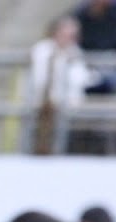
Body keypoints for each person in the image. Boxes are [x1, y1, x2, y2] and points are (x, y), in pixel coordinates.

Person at [25, 16, 99, 155]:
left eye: (74, 35)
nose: (71, 38)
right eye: (67, 34)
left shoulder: (74, 50)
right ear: (56, 32)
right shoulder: (42, 49)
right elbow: (39, 80)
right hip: (45, 107)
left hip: (73, 108)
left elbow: (82, 79)